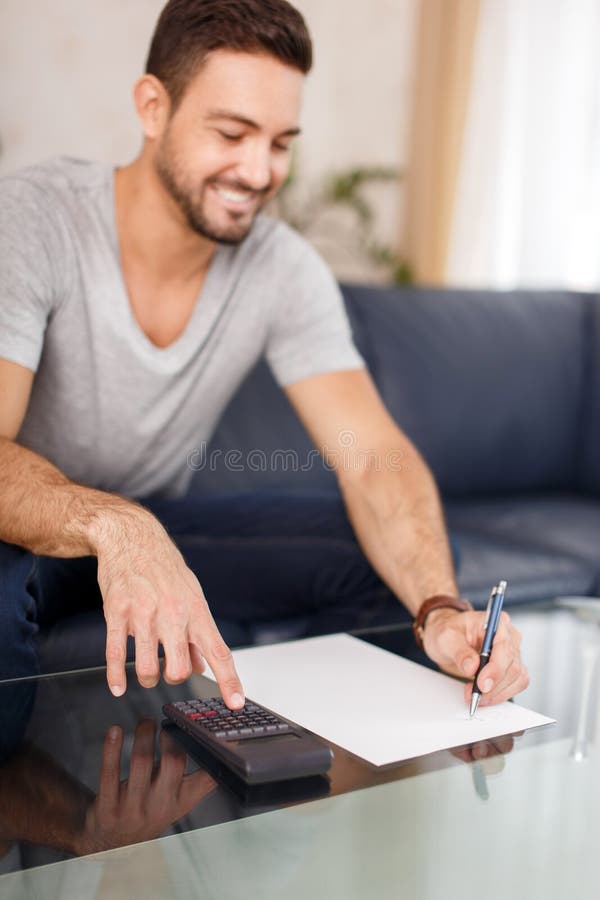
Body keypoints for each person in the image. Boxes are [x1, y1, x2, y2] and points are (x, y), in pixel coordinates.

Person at [0, 0, 528, 711]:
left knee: (401, 567)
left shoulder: (281, 268)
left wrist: (439, 609)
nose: (258, 171)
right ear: (153, 107)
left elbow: (374, 458)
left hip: (155, 524)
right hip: (26, 534)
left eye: (281, 142)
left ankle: (270, 747)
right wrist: (118, 526)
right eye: (232, 133)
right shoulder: (35, 219)